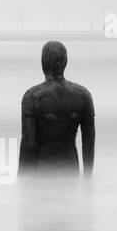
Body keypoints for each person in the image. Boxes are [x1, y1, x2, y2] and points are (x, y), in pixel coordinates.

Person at [18, 40, 94, 177]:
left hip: (41, 171)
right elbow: (88, 143)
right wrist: (88, 179)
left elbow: (28, 144)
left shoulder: (32, 97)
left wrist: (22, 180)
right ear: (66, 62)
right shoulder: (83, 96)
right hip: (71, 169)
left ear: (42, 62)